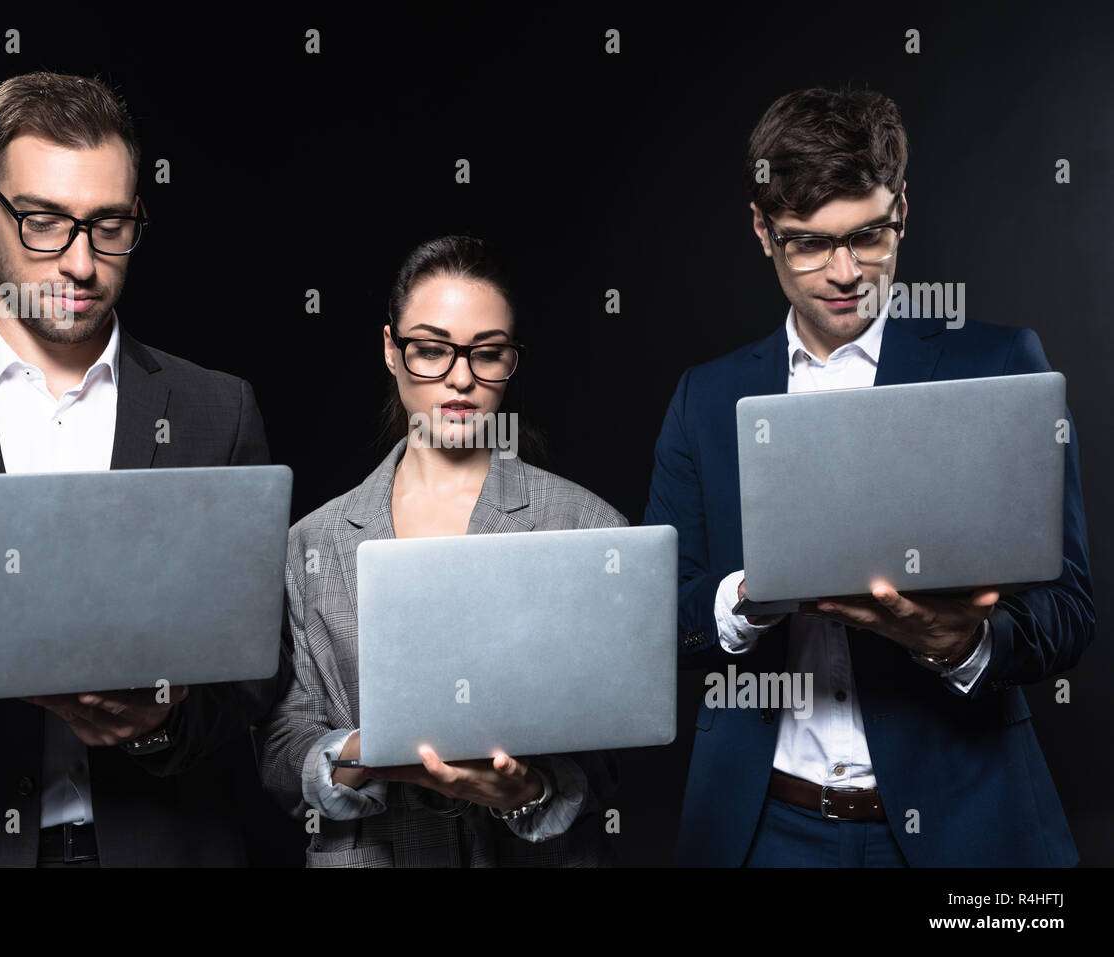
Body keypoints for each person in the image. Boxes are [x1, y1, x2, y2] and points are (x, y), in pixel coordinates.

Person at [0, 71, 281, 866]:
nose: (79, 262)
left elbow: (258, 678)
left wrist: (159, 719)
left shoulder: (217, 410)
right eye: (42, 223)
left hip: (165, 840)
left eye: (108, 226)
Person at [646, 88, 1095, 867]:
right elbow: (662, 617)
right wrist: (748, 599)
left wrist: (962, 643)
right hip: (762, 827)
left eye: (869, 236)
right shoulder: (706, 397)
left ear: (903, 212)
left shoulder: (996, 364)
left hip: (962, 819)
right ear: (762, 231)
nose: (845, 272)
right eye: (809, 244)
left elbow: (1070, 608)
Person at [257, 235, 623, 866]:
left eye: (487, 354)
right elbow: (282, 747)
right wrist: (369, 752)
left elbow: (617, 754)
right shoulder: (312, 542)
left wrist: (528, 789)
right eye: (430, 350)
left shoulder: (588, 527)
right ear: (391, 352)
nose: (459, 378)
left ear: (512, 359)